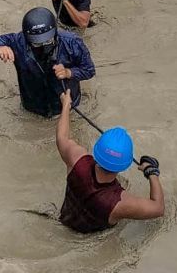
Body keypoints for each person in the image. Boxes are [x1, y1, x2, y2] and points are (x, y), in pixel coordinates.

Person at [55, 89, 164, 233]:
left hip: (63, 221)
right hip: (90, 240)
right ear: (125, 164)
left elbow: (61, 137)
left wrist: (66, 107)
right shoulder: (120, 203)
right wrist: (152, 173)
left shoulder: (77, 159)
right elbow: (158, 208)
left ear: (97, 150)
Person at [0, 8, 95, 118]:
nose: (43, 45)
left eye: (48, 41)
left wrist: (69, 72)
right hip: (33, 107)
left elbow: (89, 70)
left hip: (67, 105)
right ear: (26, 36)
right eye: (36, 43)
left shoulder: (72, 42)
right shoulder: (17, 42)